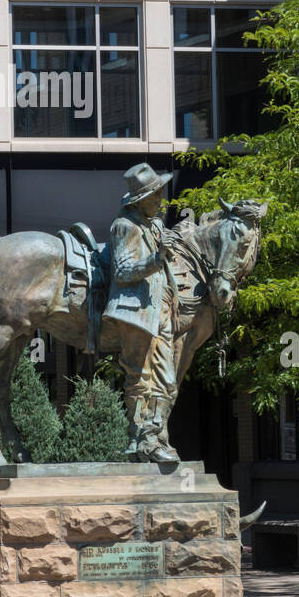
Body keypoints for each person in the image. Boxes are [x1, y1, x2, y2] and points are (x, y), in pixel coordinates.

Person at [104, 162, 182, 463]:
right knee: (140, 377)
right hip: (134, 311)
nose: (160, 199)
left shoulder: (156, 225)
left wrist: (168, 252)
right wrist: (157, 257)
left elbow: (163, 267)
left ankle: (154, 436)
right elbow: (123, 271)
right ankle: (141, 440)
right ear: (140, 199)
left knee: (168, 380)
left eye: (160, 193)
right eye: (155, 195)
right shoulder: (125, 225)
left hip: (159, 309)